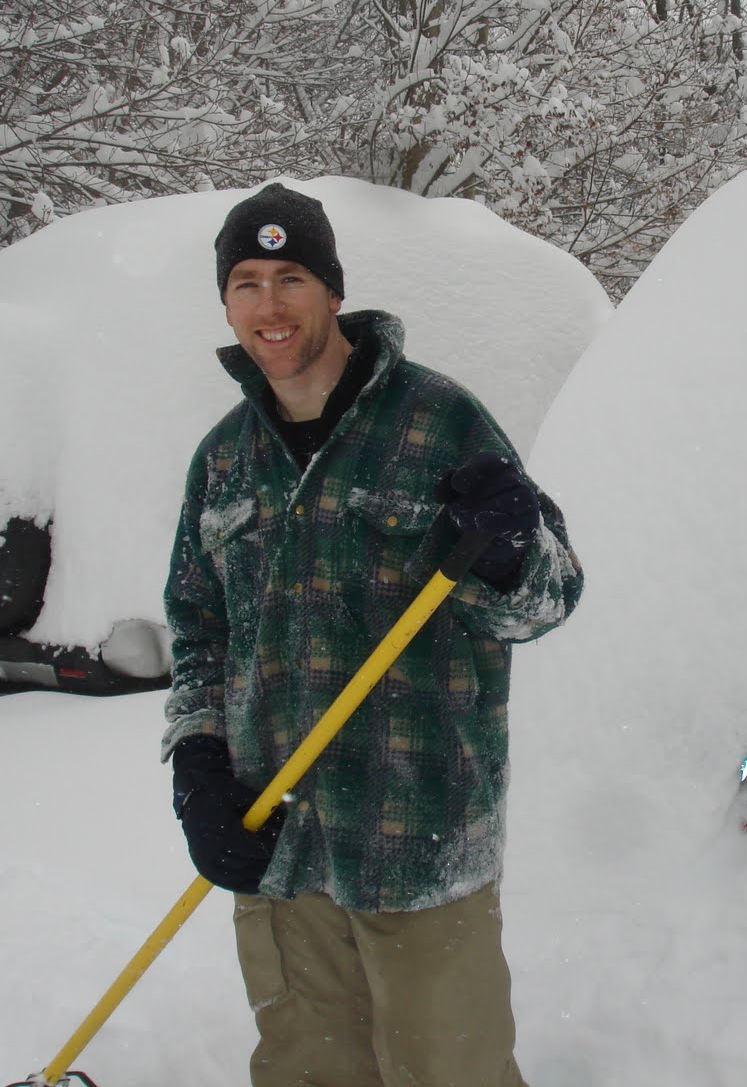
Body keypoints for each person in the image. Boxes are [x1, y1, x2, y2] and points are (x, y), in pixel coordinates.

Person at [162, 182, 583, 1087]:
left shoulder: (439, 423)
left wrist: (512, 554)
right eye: (246, 282)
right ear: (226, 302)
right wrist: (197, 768)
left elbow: (549, 599)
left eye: (291, 278)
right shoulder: (223, 459)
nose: (269, 306)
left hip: (417, 844)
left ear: (334, 291)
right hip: (278, 849)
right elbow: (199, 633)